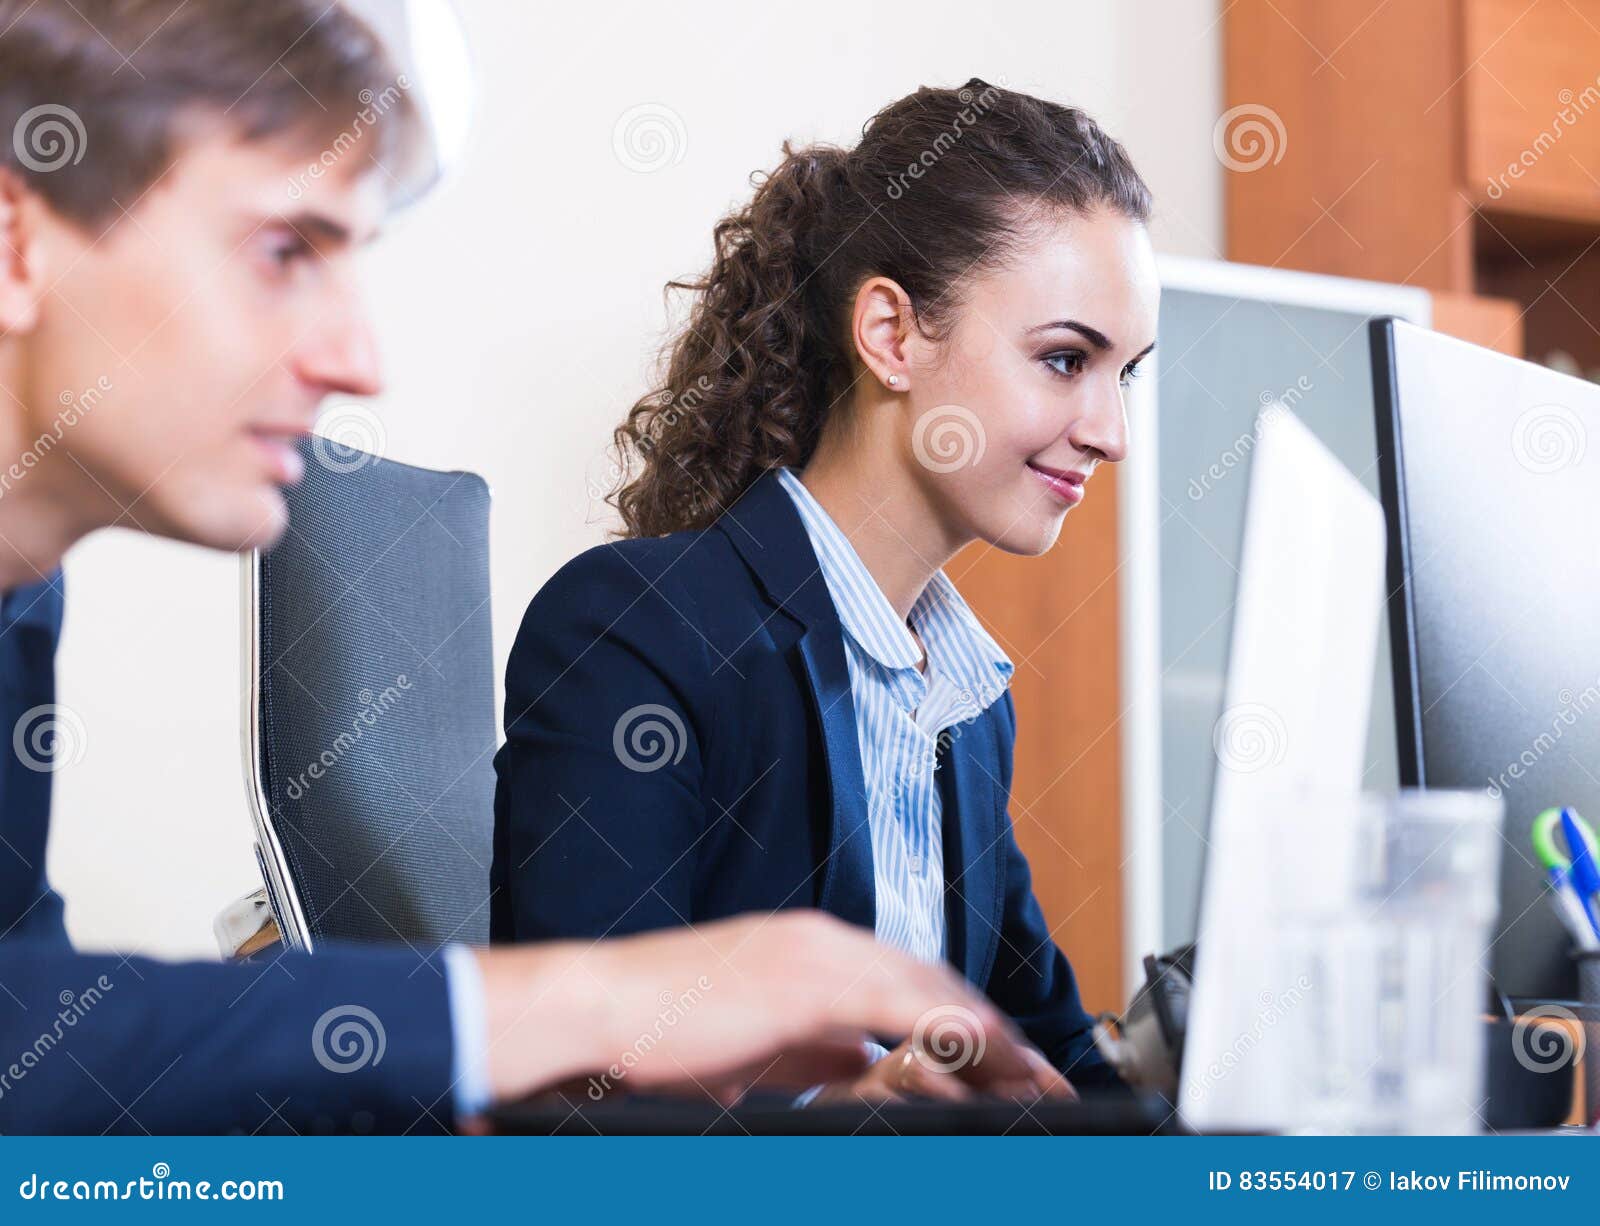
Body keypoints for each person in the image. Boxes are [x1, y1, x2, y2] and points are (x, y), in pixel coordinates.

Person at [0, 2, 1041, 1135]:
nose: (355, 358)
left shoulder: (21, 595)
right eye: (283, 250)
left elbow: (40, 1067)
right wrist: (571, 1006)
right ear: (18, 241)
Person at [491, 80, 1160, 1101]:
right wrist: (838, 1124)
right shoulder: (634, 633)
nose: (1111, 430)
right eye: (1064, 359)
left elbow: (1060, 1056)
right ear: (891, 334)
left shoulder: (965, 706)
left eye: (1127, 375)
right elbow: (576, 1101)